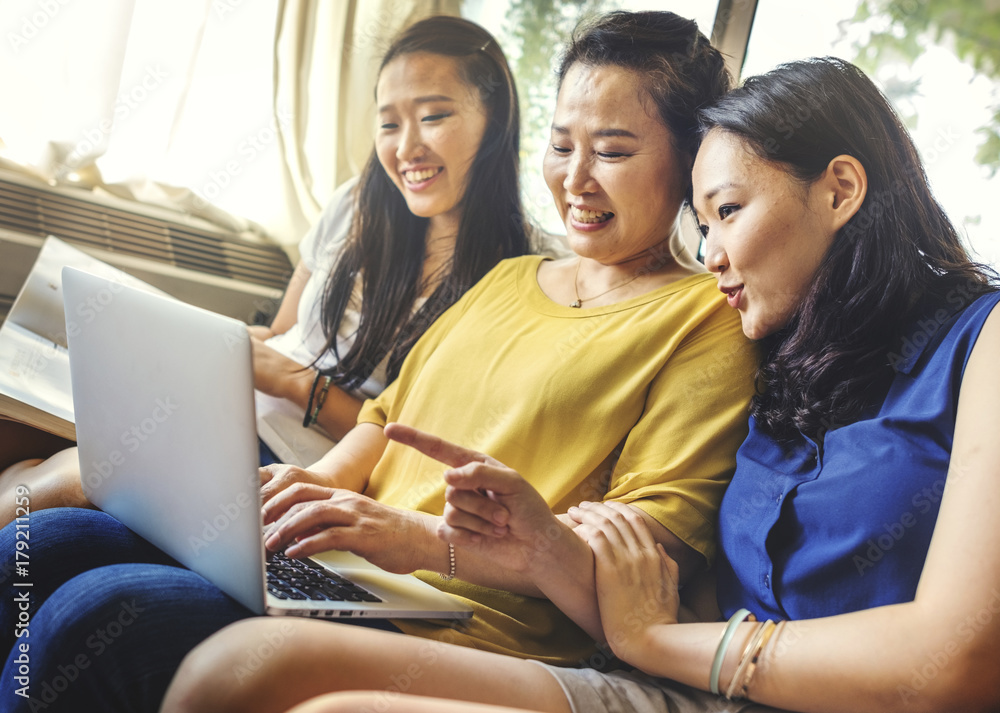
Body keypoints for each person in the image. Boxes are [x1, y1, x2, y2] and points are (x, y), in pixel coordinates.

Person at [180, 56, 1000, 713]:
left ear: (841, 189)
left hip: (695, 676)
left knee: (270, 679)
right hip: (686, 677)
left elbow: (949, 661)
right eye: (702, 223)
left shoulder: (981, 339)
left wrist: (662, 644)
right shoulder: (785, 358)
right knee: (241, 672)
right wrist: (540, 548)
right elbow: (672, 592)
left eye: (729, 211)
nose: (711, 256)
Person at [1, 10, 758, 713]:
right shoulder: (510, 282)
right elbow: (388, 416)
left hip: (449, 618)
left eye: (614, 151)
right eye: (563, 145)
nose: (576, 178)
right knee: (43, 544)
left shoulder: (704, 320)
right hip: (341, 556)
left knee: (89, 620)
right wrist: (314, 487)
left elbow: (638, 569)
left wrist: (411, 535)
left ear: (693, 159)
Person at [0, 13, 536, 522]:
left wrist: (293, 380)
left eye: (434, 116)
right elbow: (281, 334)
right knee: (14, 428)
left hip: (294, 447)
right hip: (230, 395)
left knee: (68, 480)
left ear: (494, 122)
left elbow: (410, 443)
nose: (406, 148)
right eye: (389, 123)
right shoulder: (356, 204)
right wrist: (191, 350)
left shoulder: (509, 283)